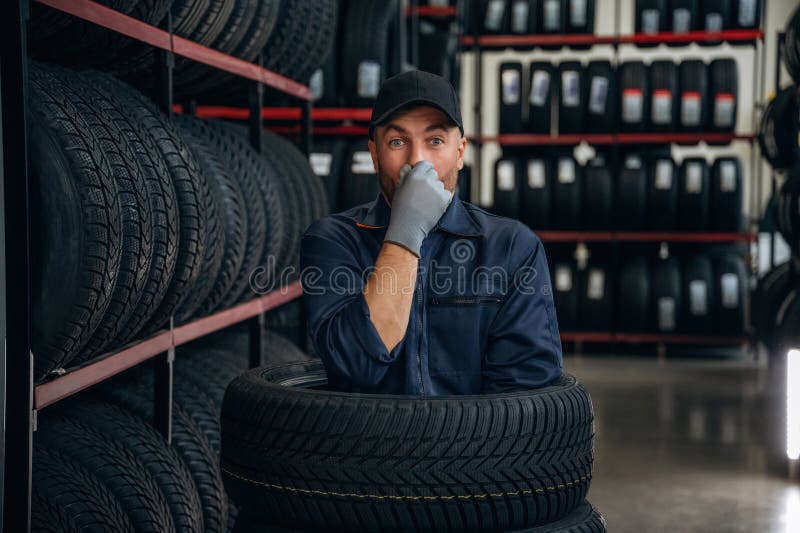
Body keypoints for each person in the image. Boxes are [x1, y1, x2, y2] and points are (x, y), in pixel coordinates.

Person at [300, 70, 562, 395]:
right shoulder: (332, 240)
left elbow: (525, 395)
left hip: (475, 446)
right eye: (397, 142)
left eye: (435, 141)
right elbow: (357, 364)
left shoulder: (511, 247)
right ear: (374, 154)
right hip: (366, 445)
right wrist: (406, 231)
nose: (417, 161)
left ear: (461, 152)